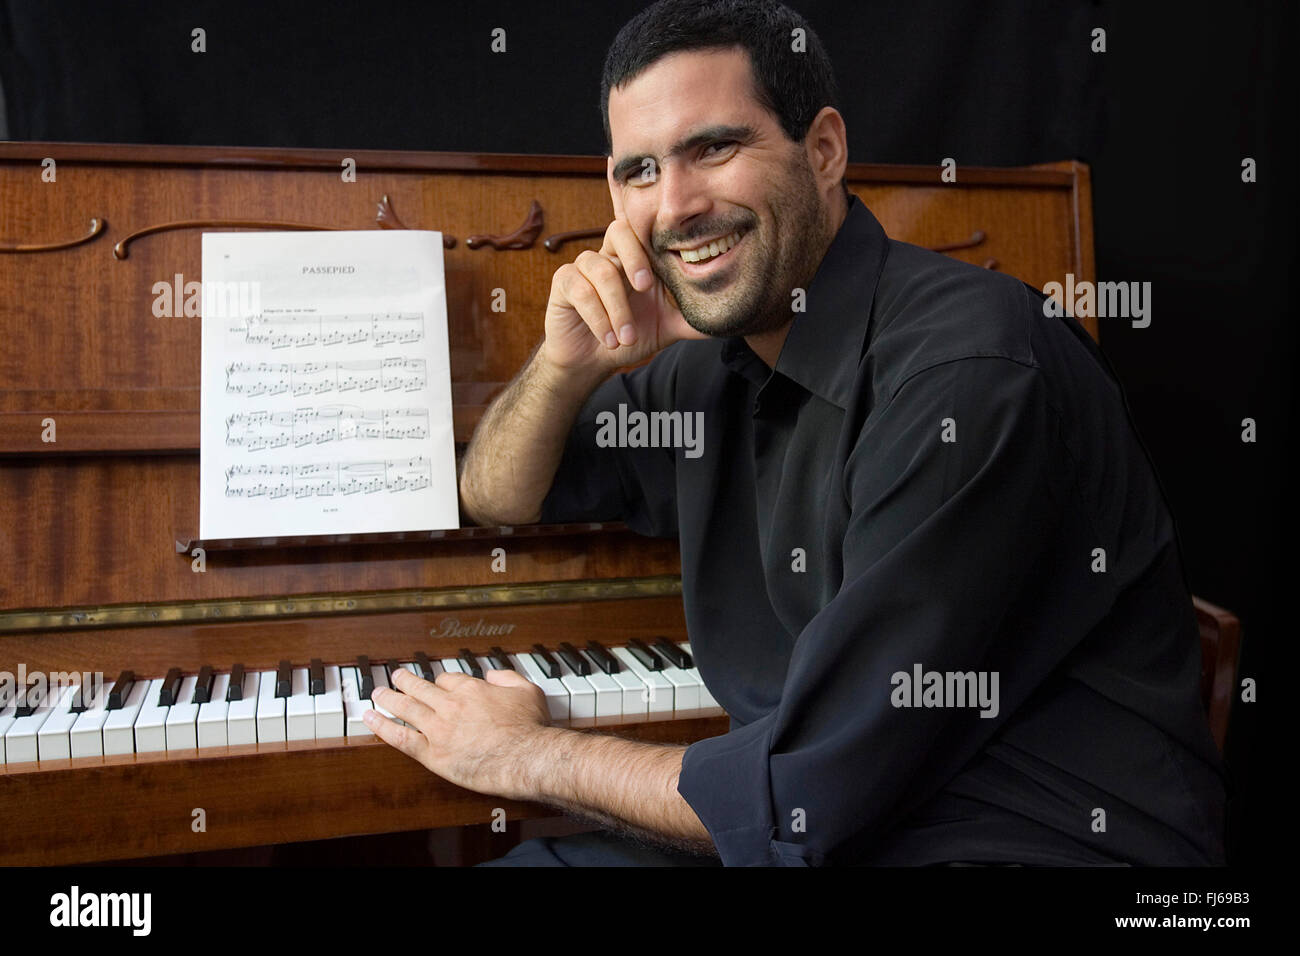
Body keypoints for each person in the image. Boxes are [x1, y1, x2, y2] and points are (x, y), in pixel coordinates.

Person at [363, 0, 1228, 866]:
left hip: (1019, 842)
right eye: (639, 170)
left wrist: (525, 752)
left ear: (823, 151)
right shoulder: (713, 365)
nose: (676, 206)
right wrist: (562, 370)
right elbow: (499, 495)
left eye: (713, 148)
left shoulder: (965, 376)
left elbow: (805, 800)